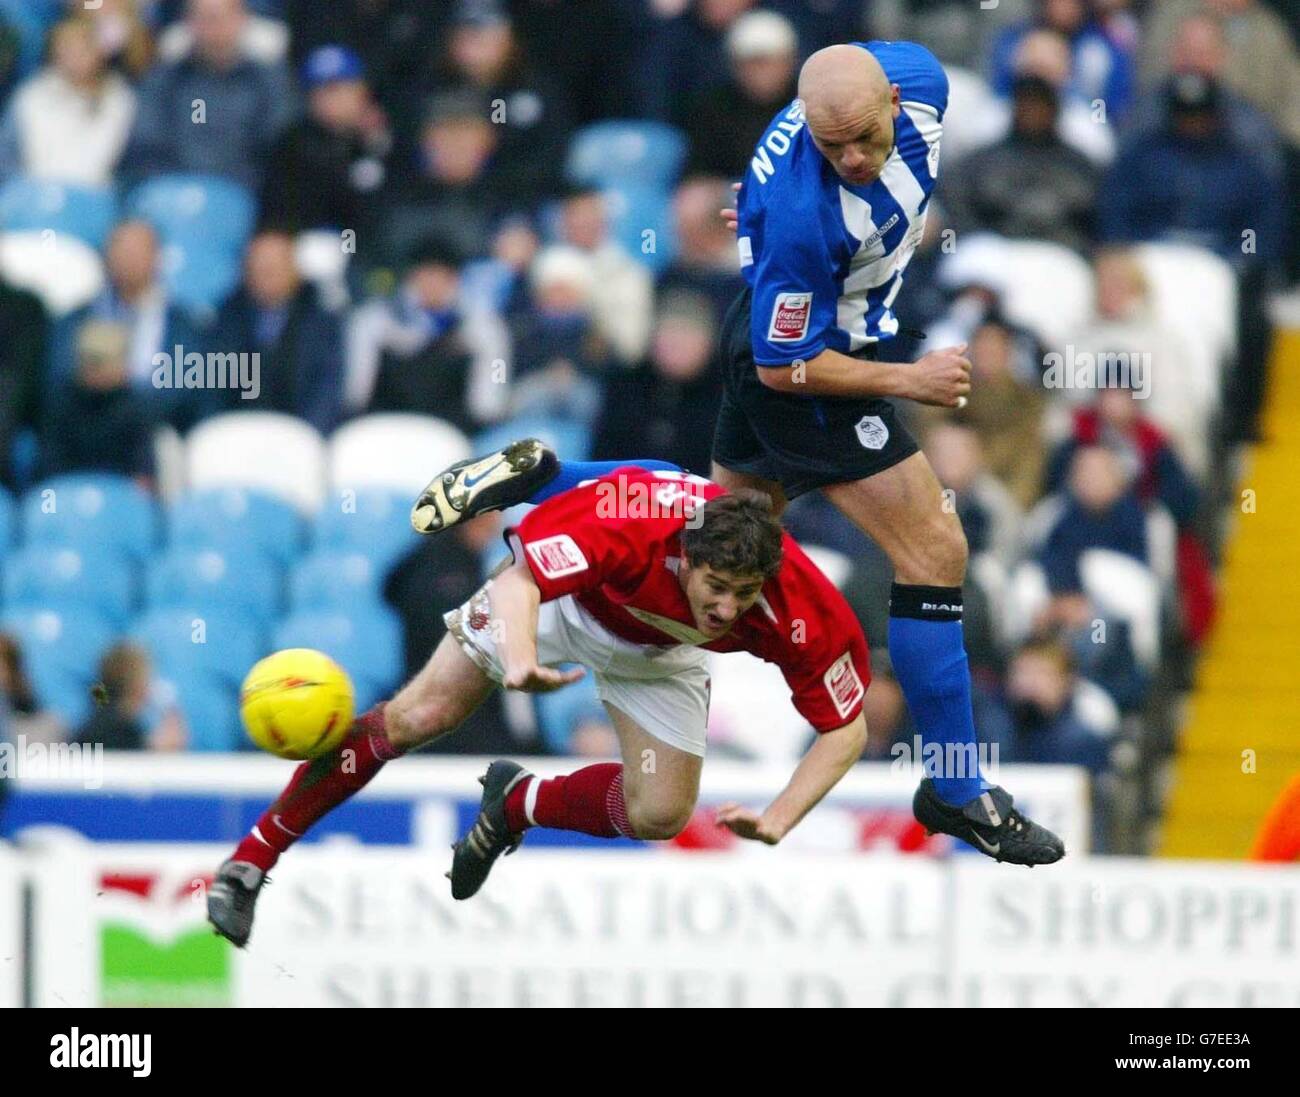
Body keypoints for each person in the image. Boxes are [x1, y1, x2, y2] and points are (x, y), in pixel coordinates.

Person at [209, 451, 1063, 946]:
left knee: (660, 812)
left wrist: (781, 815)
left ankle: (519, 802)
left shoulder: (797, 603)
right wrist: (516, 663)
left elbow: (842, 729)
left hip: (660, 653)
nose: (728, 606)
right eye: (716, 585)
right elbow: (517, 587)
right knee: (420, 715)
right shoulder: (629, 524)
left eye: (743, 594)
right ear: (686, 555)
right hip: (557, 603)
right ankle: (253, 857)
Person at [712, 40, 1065, 863]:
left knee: (720, 555)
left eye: (866, 138)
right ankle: (955, 783)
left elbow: (840, 89)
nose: (854, 158)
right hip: (806, 374)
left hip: (781, 333)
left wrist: (757, 209)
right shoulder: (805, 216)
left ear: (897, 107)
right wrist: (909, 380)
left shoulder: (920, 78)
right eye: (832, 147)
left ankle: (561, 511)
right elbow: (782, 364)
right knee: (936, 546)